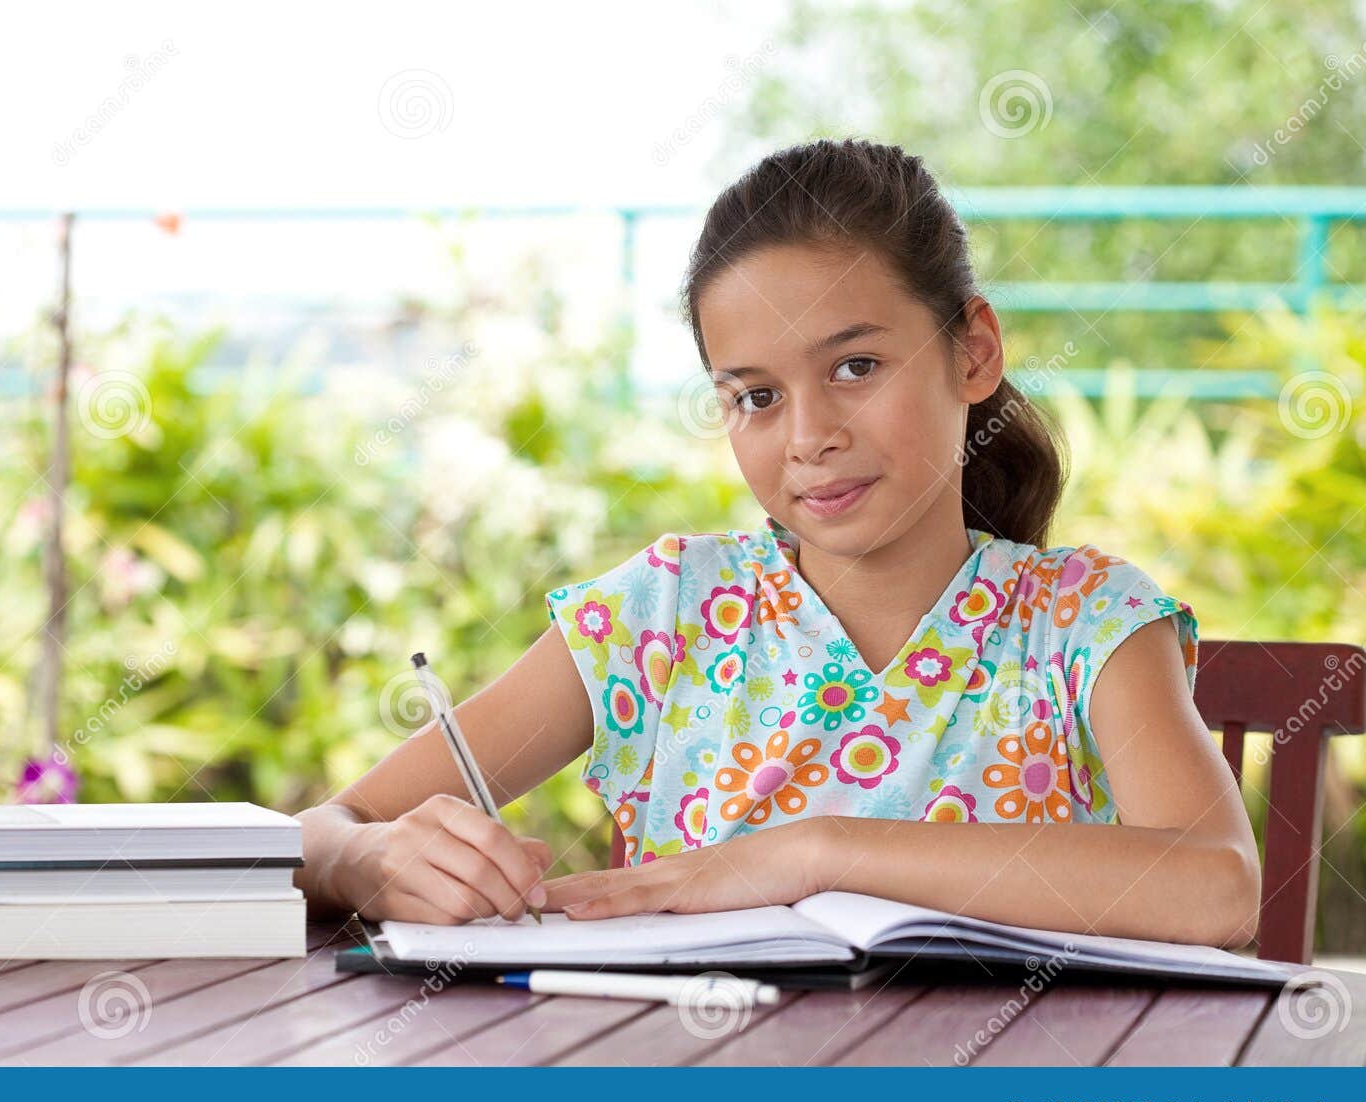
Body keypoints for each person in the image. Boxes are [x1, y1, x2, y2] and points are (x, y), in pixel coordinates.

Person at [293, 137, 1261, 949]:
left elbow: (1215, 884)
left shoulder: (1083, 619)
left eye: (854, 365)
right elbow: (316, 834)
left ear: (973, 352)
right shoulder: (663, 614)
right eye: (755, 395)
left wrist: (814, 850)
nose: (807, 436)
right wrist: (371, 859)